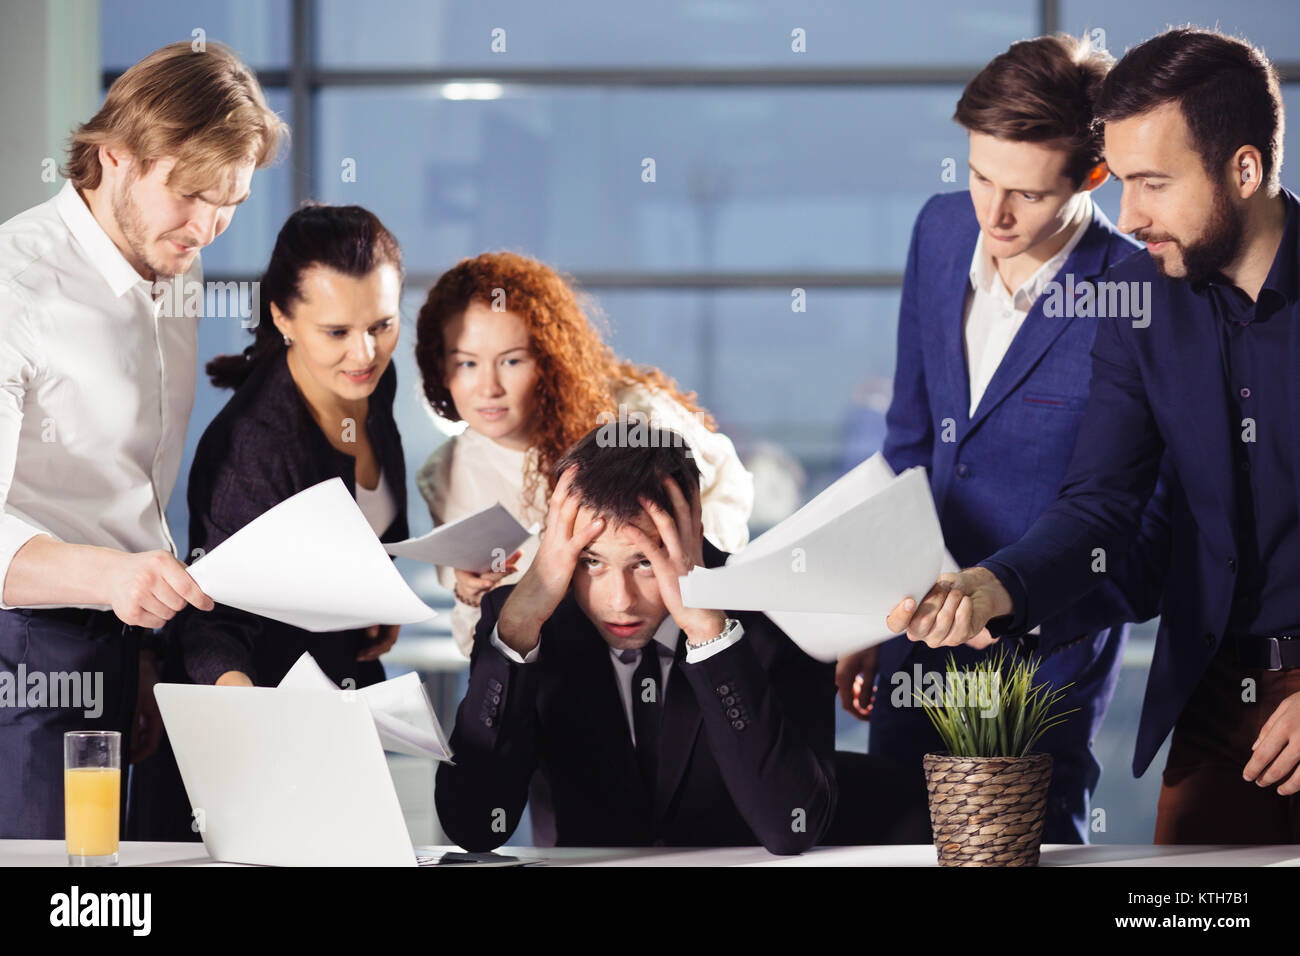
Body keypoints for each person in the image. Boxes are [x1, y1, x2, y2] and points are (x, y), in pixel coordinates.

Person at [890, 28, 1300, 843]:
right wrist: (996, 587)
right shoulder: (1141, 296)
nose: (1127, 214)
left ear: (1245, 170)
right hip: (1221, 693)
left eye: (1151, 182)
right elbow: (1101, 504)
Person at [836, 34, 1168, 845]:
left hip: (1043, 660)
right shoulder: (942, 231)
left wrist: (1023, 612)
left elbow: (1146, 529)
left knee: (1024, 854)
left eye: (1023, 191)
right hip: (912, 630)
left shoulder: (1141, 292)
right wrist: (864, 618)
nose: (994, 213)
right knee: (896, 839)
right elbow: (910, 445)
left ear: (1092, 175)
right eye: (980, 175)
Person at [0, 41, 286, 838]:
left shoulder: (177, 261)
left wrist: (146, 638)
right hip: (24, 652)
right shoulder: (12, 291)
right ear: (114, 156)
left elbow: (134, 484)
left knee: (124, 886)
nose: (209, 226)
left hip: (130, 641)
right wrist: (114, 577)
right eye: (191, 195)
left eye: (230, 201)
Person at [127, 203, 409, 840]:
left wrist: (375, 592)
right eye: (336, 332)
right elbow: (210, 615)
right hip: (250, 725)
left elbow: (364, 522)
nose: (365, 353)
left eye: (383, 325)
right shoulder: (254, 447)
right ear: (283, 316)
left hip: (334, 702)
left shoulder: (373, 385)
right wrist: (253, 721)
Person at [434, 427, 834, 854]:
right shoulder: (520, 623)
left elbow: (793, 827)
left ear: (694, 533)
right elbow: (474, 827)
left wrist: (710, 636)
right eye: (592, 562)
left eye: (644, 562)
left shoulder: (775, 612)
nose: (620, 601)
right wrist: (515, 631)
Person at [414, 251, 754, 656]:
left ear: (551, 360)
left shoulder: (636, 417)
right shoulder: (447, 475)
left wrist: (688, 577)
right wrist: (471, 595)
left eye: (511, 360)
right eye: (467, 363)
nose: (488, 388)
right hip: (555, 675)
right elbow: (479, 651)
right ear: (440, 368)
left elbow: (727, 491)